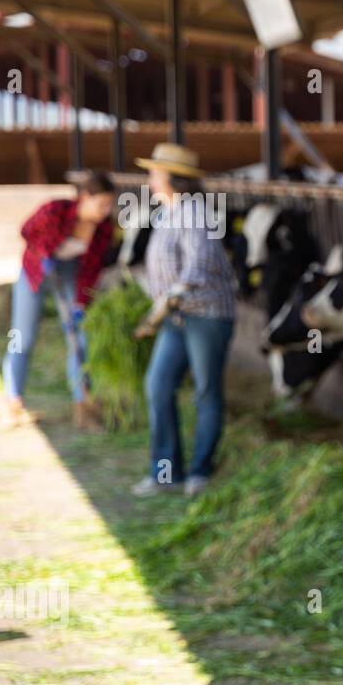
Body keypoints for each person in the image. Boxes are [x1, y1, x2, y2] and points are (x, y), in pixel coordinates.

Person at [129, 143, 237, 499]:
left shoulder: (194, 212)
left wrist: (162, 306)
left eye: (155, 174)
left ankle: (200, 472)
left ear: (173, 179)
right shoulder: (166, 213)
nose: (151, 180)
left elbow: (199, 263)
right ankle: (165, 472)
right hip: (176, 315)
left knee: (206, 390)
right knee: (158, 386)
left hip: (207, 314)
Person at [5, 170, 117, 430]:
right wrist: (44, 252)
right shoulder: (56, 210)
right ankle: (14, 402)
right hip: (36, 270)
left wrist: (80, 302)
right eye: (101, 204)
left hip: (69, 273)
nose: (105, 211)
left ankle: (83, 404)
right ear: (85, 197)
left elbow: (92, 267)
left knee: (78, 337)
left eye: (109, 205)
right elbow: (26, 230)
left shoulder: (103, 230)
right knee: (23, 336)